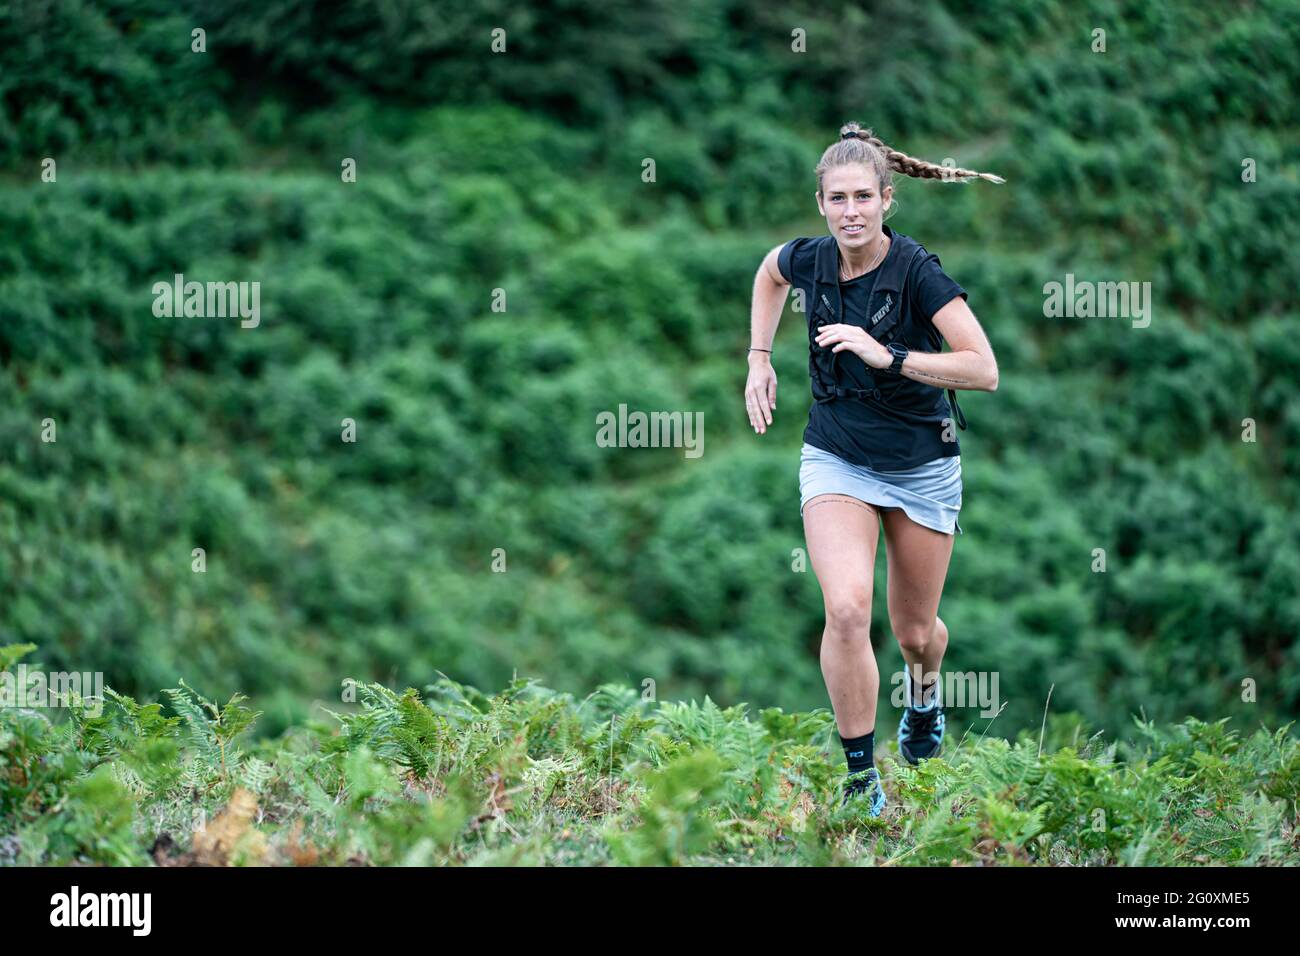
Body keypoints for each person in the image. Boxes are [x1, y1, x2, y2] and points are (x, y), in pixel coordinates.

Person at [745, 123, 1002, 816]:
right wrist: (758, 359)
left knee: (916, 634)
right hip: (836, 456)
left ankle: (924, 697)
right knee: (848, 608)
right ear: (821, 204)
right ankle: (862, 779)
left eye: (864, 196)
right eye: (838, 199)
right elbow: (769, 271)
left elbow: (984, 369)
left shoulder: (917, 272)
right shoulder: (812, 260)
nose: (851, 211)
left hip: (921, 464)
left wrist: (886, 353)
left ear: (888, 199)